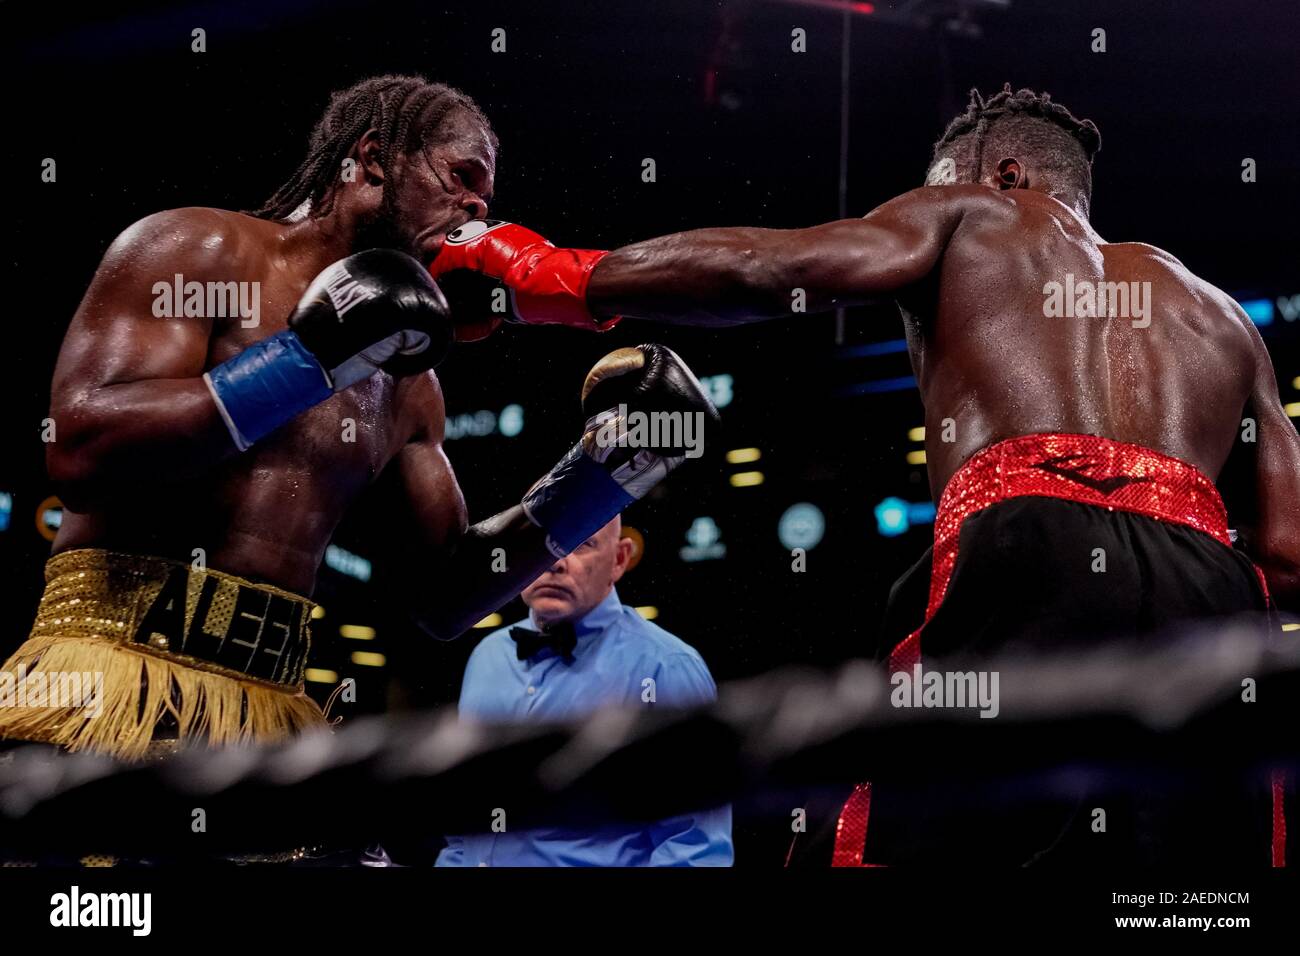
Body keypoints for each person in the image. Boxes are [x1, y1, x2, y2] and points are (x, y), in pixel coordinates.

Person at [425, 84, 1300, 865]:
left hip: (1026, 532)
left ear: (999, 172)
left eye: (939, 178)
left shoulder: (978, 215)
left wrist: (539, 271)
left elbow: (773, 269)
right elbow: (1289, 553)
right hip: (1211, 584)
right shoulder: (1223, 316)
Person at [0, 74, 716, 761]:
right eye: (459, 177)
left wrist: (609, 472)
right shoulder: (200, 250)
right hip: (107, 673)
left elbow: (444, 595)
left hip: (263, 710)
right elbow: (82, 450)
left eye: (486, 196)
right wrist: (311, 356)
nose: (477, 211)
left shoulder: (409, 384)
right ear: (372, 160)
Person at [437, 515, 732, 866]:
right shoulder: (486, 656)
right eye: (538, 544)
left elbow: (693, 850)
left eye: (580, 544)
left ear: (619, 559)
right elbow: (462, 826)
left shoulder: (666, 666)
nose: (555, 563)